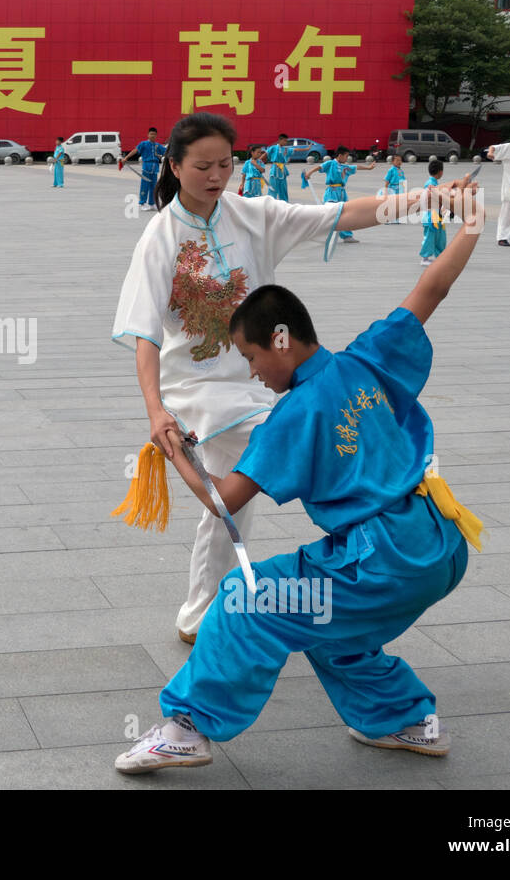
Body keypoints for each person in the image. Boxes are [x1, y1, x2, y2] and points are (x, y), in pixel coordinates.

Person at [114, 204, 484, 774]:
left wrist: (176, 450)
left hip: (382, 560)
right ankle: (404, 718)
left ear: (280, 341)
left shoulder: (293, 415)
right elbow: (433, 287)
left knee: (246, 598)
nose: (254, 371)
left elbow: (221, 501)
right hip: (440, 542)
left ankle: (186, 727)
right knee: (327, 622)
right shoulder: (370, 355)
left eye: (252, 357)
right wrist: (473, 226)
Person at [112, 112, 472, 645]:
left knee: (239, 495)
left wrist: (427, 200)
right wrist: (155, 409)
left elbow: (343, 213)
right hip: (202, 390)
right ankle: (361, 548)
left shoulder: (254, 214)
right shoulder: (159, 237)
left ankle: (203, 612)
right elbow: (145, 333)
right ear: (173, 166)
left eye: (225, 164)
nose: (217, 176)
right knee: (288, 443)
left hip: (264, 378)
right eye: (203, 166)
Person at [305, 146, 376, 243]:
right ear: (340, 155)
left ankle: (347, 236)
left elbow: (356, 167)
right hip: (332, 192)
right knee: (329, 214)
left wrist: (368, 168)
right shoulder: (330, 163)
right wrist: (309, 173)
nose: (347, 159)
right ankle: (322, 233)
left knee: (345, 214)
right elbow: (319, 167)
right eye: (346, 156)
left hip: (342, 193)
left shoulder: (345, 167)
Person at [121, 126, 166, 209]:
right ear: (148, 135)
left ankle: (152, 203)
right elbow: (135, 150)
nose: (152, 136)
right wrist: (126, 158)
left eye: (154, 134)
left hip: (155, 168)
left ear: (156, 135)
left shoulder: (157, 146)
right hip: (146, 167)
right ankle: (142, 203)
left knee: (154, 186)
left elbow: (166, 151)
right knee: (144, 185)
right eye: (151, 134)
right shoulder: (143, 144)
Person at [420, 159, 450, 267]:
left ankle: (440, 256)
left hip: (437, 214)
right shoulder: (430, 184)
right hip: (431, 214)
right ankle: (425, 257)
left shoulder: (434, 183)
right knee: (430, 236)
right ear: (440, 172)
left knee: (440, 236)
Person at [264, 135, 291, 202]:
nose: (285, 142)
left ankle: (284, 203)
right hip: (275, 169)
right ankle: (270, 203)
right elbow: (265, 154)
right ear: (280, 140)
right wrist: (258, 160)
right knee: (273, 187)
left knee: (283, 188)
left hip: (282, 170)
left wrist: (307, 148)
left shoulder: (285, 149)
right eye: (284, 140)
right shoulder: (273, 148)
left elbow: (295, 150)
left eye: (286, 141)